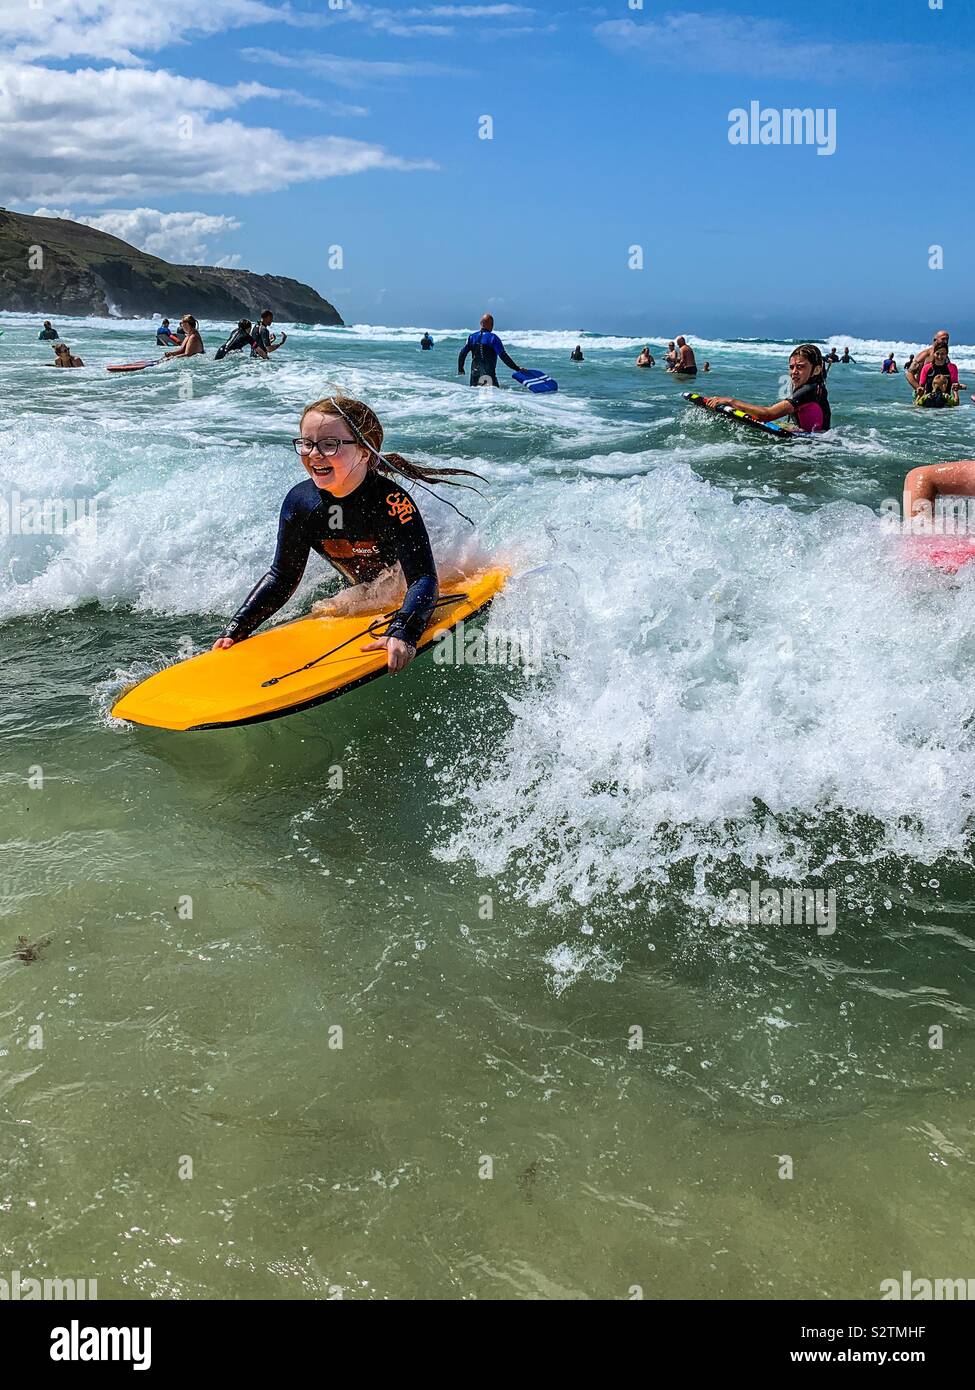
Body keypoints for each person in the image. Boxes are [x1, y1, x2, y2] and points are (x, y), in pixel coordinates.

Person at [211, 395, 484, 674]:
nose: (314, 454)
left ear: (364, 452)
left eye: (330, 445)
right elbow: (283, 577)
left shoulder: (392, 503)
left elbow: (423, 578)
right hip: (363, 589)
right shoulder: (300, 503)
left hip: (408, 585)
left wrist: (404, 631)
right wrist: (237, 628)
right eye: (307, 443)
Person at [705, 343, 831, 433]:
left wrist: (730, 402)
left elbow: (768, 414)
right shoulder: (815, 388)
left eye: (800, 367)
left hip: (814, 446)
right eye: (791, 367)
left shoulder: (809, 390)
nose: (794, 372)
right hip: (816, 443)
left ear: (817, 370)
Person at [457, 313, 525, 387]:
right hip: (488, 377)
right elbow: (503, 356)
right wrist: (517, 368)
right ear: (491, 325)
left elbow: (462, 353)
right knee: (493, 397)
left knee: (475, 397)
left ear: (481, 324)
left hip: (475, 376)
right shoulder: (493, 338)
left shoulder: (472, 337)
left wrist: (461, 369)